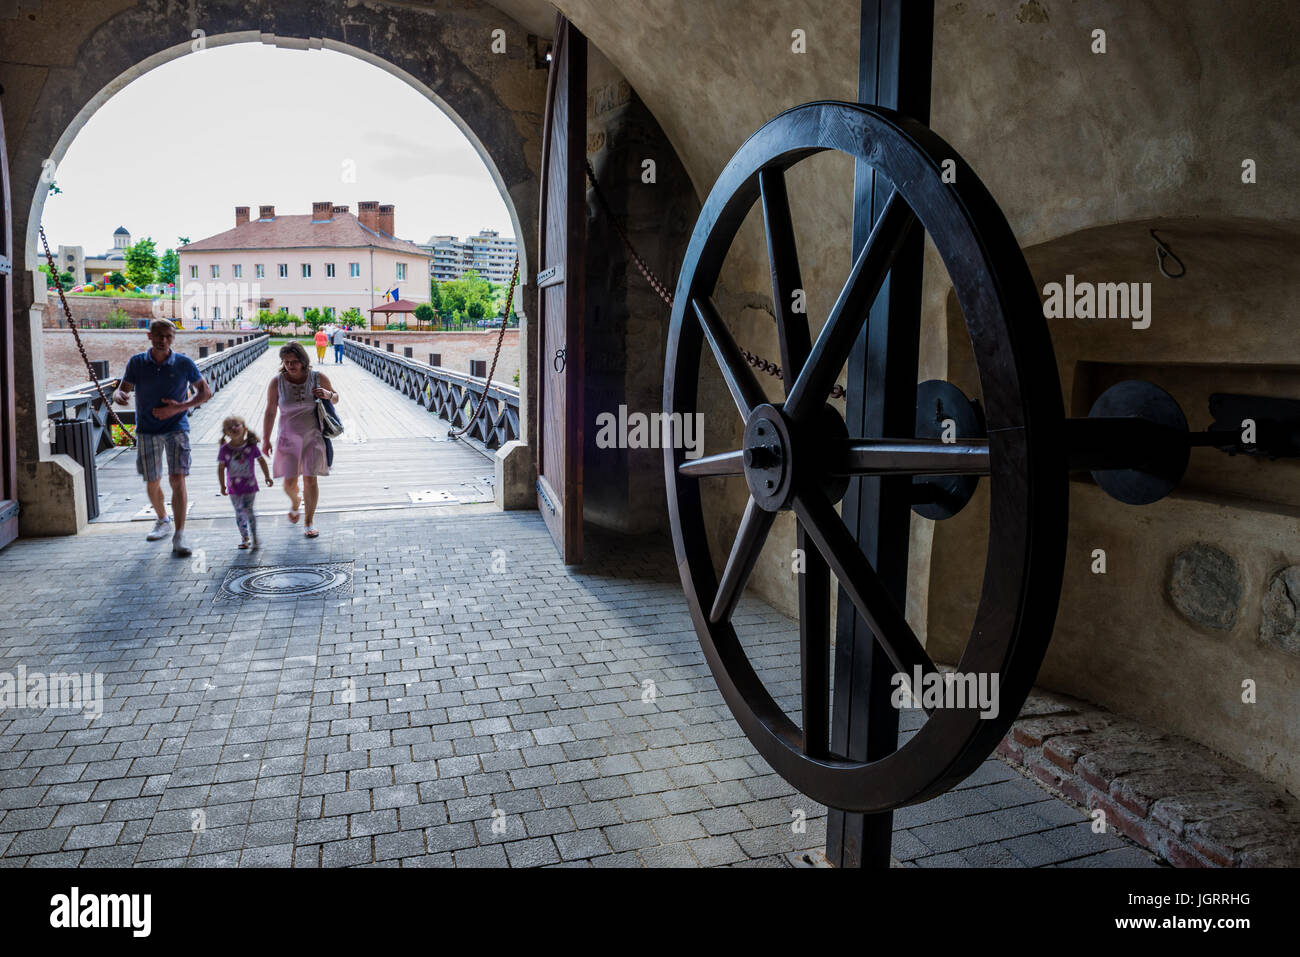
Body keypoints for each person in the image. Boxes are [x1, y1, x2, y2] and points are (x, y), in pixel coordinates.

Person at [112, 318, 212, 557]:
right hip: (147, 428)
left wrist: (178, 408)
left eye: (168, 336)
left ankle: (180, 534)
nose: (163, 340)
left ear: (173, 338)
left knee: (178, 479)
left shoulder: (185, 363)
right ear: (149, 336)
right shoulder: (136, 362)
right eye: (159, 335)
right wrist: (118, 396)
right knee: (152, 481)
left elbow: (205, 393)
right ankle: (162, 519)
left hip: (177, 427)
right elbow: (123, 389)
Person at [263, 341, 337, 539]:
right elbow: (270, 411)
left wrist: (329, 394)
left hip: (313, 436)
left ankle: (309, 521)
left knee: (310, 480)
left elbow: (336, 397)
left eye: (294, 361)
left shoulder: (317, 378)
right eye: (286, 362)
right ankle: (296, 502)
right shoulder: (276, 382)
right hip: (287, 438)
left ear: (303, 361)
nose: (290, 366)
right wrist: (265, 439)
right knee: (289, 483)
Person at [217, 415, 273, 549]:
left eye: (236, 425)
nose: (234, 428)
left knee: (249, 511)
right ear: (226, 433)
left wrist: (267, 476)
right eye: (229, 428)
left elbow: (261, 461)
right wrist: (222, 485)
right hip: (233, 487)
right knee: (239, 511)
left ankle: (254, 537)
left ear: (244, 428)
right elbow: (221, 468)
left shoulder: (251, 446)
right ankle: (245, 537)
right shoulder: (225, 449)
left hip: (250, 486)